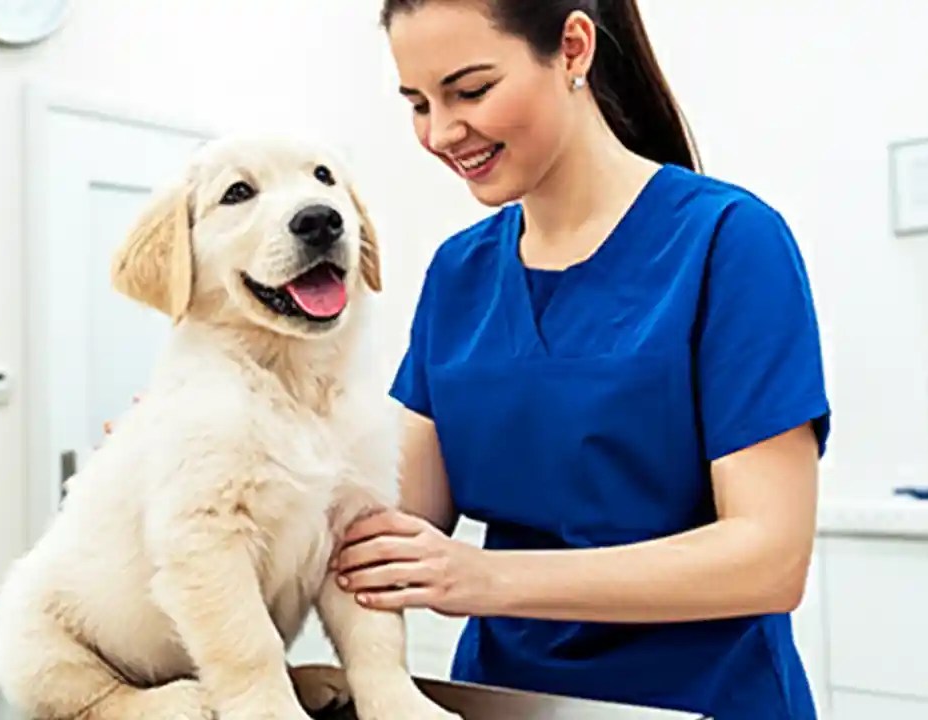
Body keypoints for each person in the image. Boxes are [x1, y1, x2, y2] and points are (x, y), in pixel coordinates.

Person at [328, 1, 830, 718]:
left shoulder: (729, 242)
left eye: (470, 90)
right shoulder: (459, 275)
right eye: (418, 103)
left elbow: (769, 560)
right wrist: (222, 453)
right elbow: (394, 517)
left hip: (703, 701)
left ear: (572, 48)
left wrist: (485, 579)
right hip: (506, 700)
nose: (441, 133)